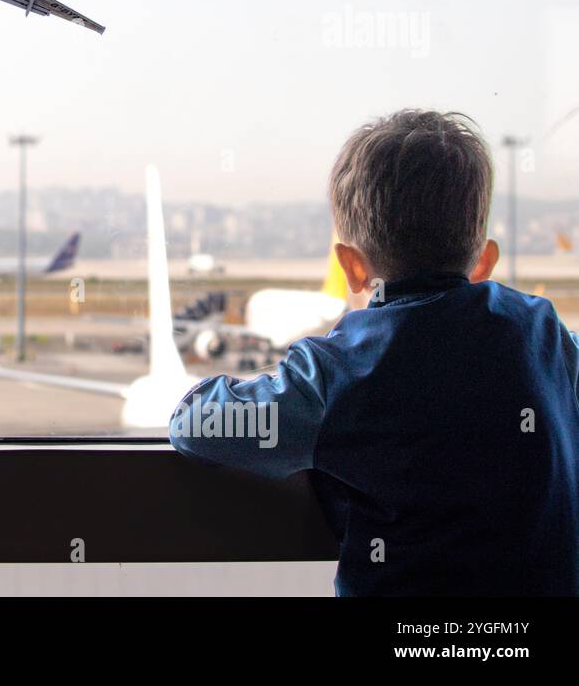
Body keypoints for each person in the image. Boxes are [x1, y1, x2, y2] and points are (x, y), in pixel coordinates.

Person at [169, 109, 579, 596]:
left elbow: (197, 427)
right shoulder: (543, 332)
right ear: (484, 261)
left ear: (351, 268)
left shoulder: (339, 371)